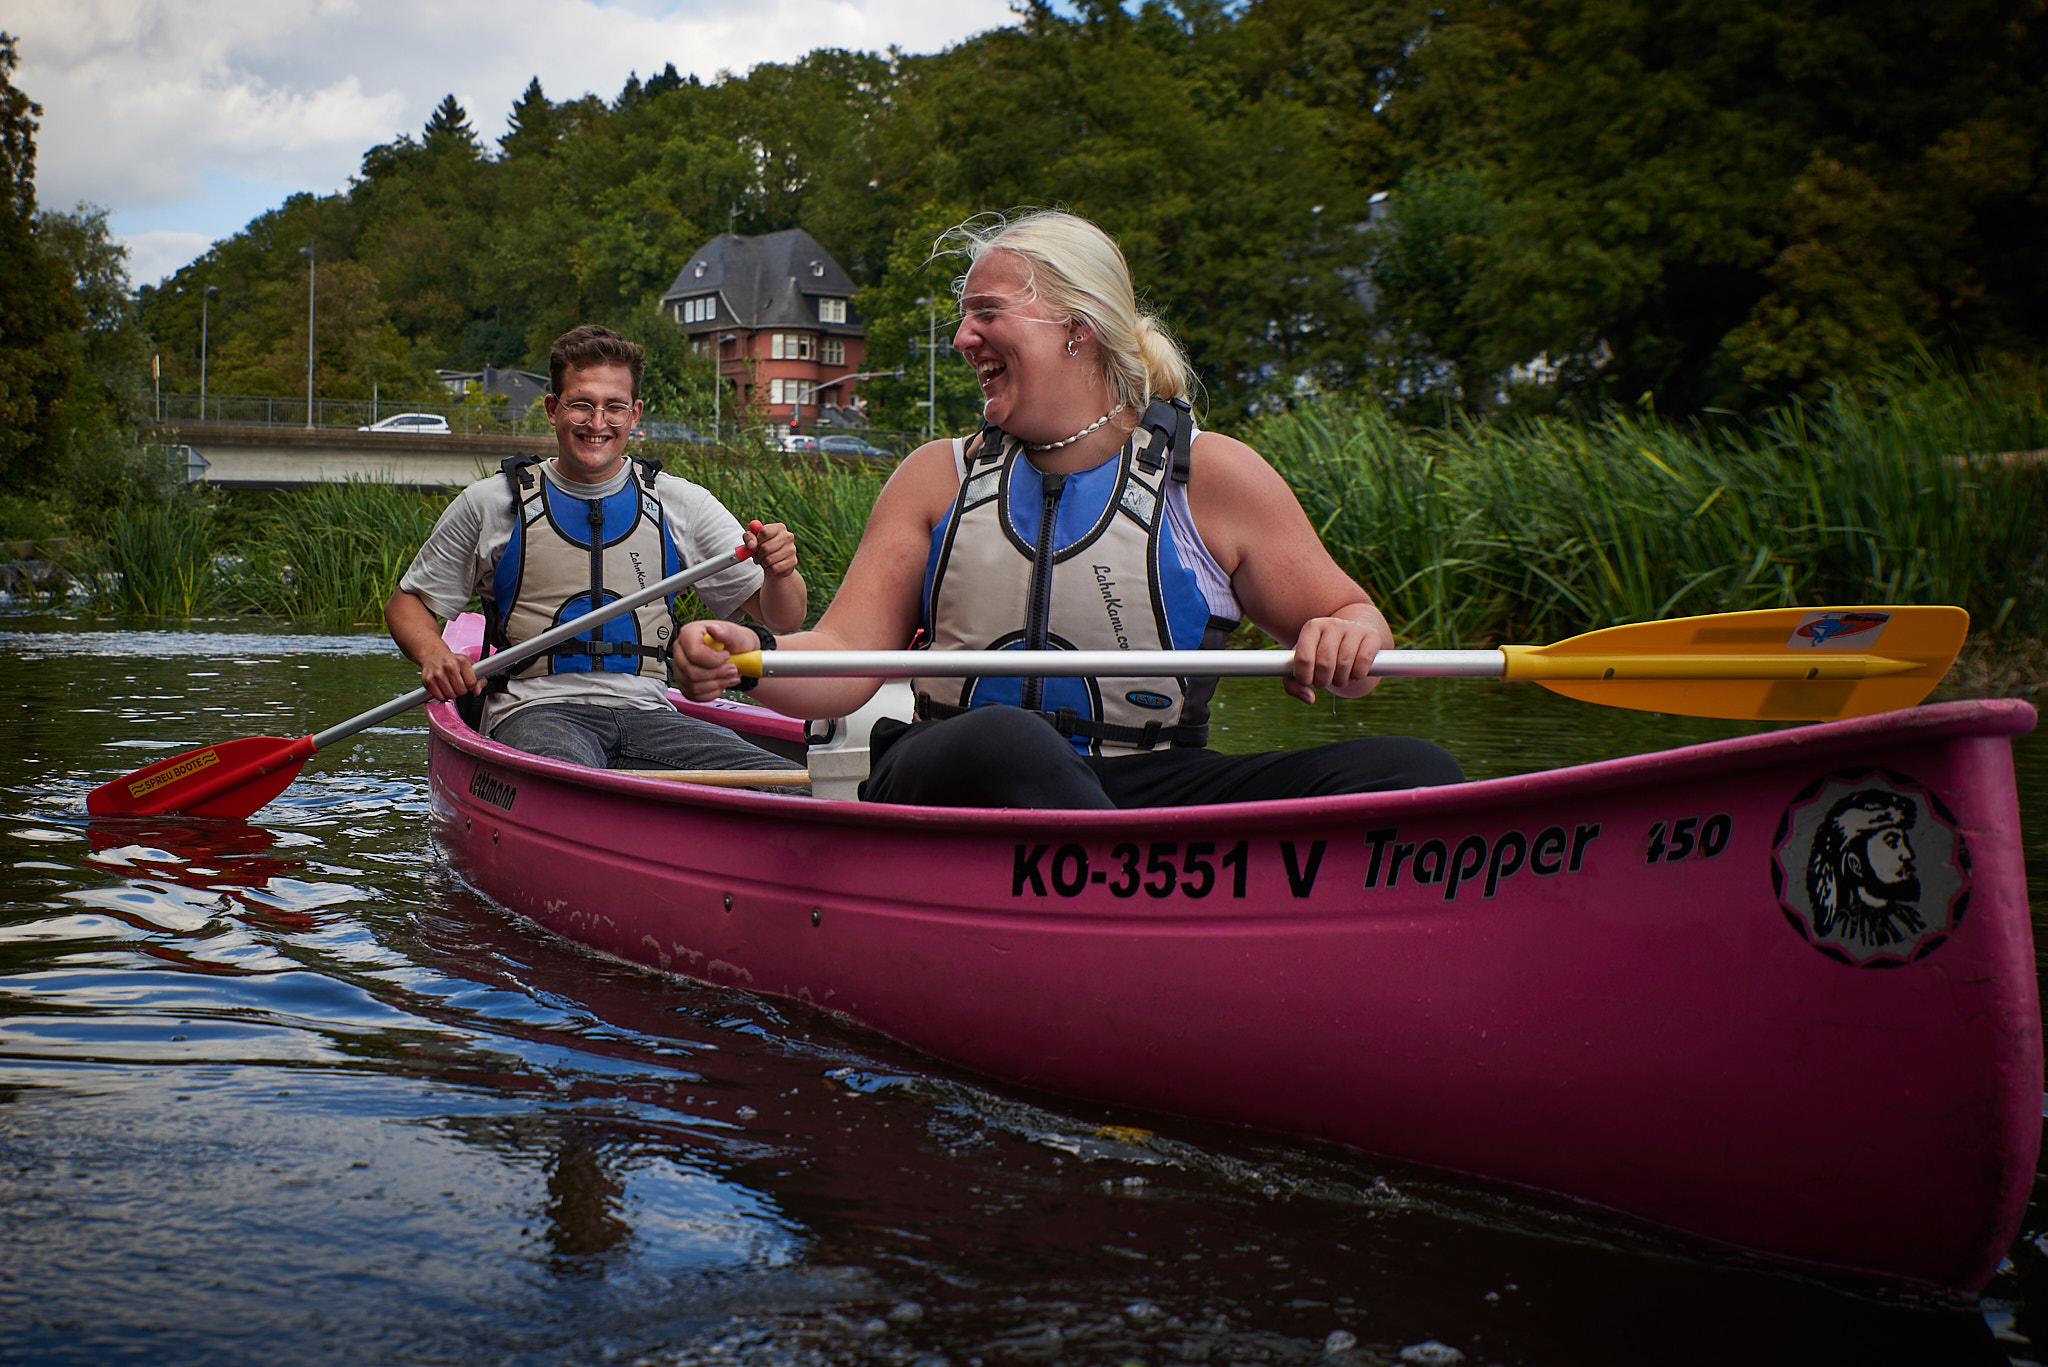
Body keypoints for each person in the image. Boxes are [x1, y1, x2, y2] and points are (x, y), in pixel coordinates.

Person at [675, 212, 1461, 807]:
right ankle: (1126, 907)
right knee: (1007, 739)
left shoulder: (1213, 477)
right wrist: (750, 656)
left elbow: (1357, 625)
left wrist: (1348, 634)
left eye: (985, 313)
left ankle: (1138, 893)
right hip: (950, 776)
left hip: (1141, 789)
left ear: (1077, 331)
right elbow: (841, 662)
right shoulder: (935, 478)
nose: (961, 338)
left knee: (1414, 772)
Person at [386, 323, 807, 779]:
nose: (598, 422)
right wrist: (435, 655)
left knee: (782, 784)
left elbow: (783, 619)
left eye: (614, 407)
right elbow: (407, 603)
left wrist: (780, 573)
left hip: (650, 713)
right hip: (535, 711)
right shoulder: (490, 504)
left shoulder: (682, 503)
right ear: (553, 409)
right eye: (582, 405)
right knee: (571, 776)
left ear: (635, 414)